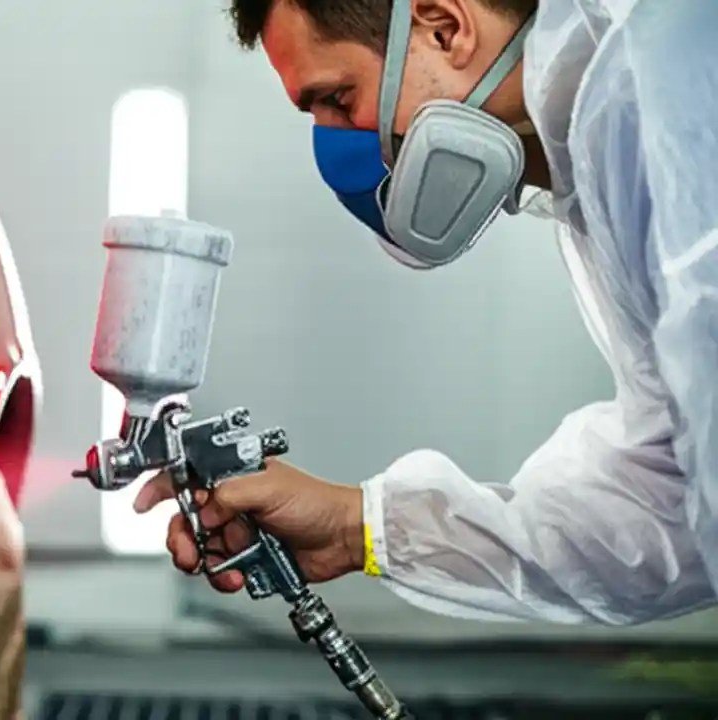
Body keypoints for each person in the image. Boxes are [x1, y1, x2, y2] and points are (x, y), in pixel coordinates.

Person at [136, 0, 718, 625]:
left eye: (338, 99)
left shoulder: (661, 98)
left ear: (445, 28)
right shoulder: (609, 146)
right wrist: (353, 527)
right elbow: (670, 503)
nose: (338, 145)